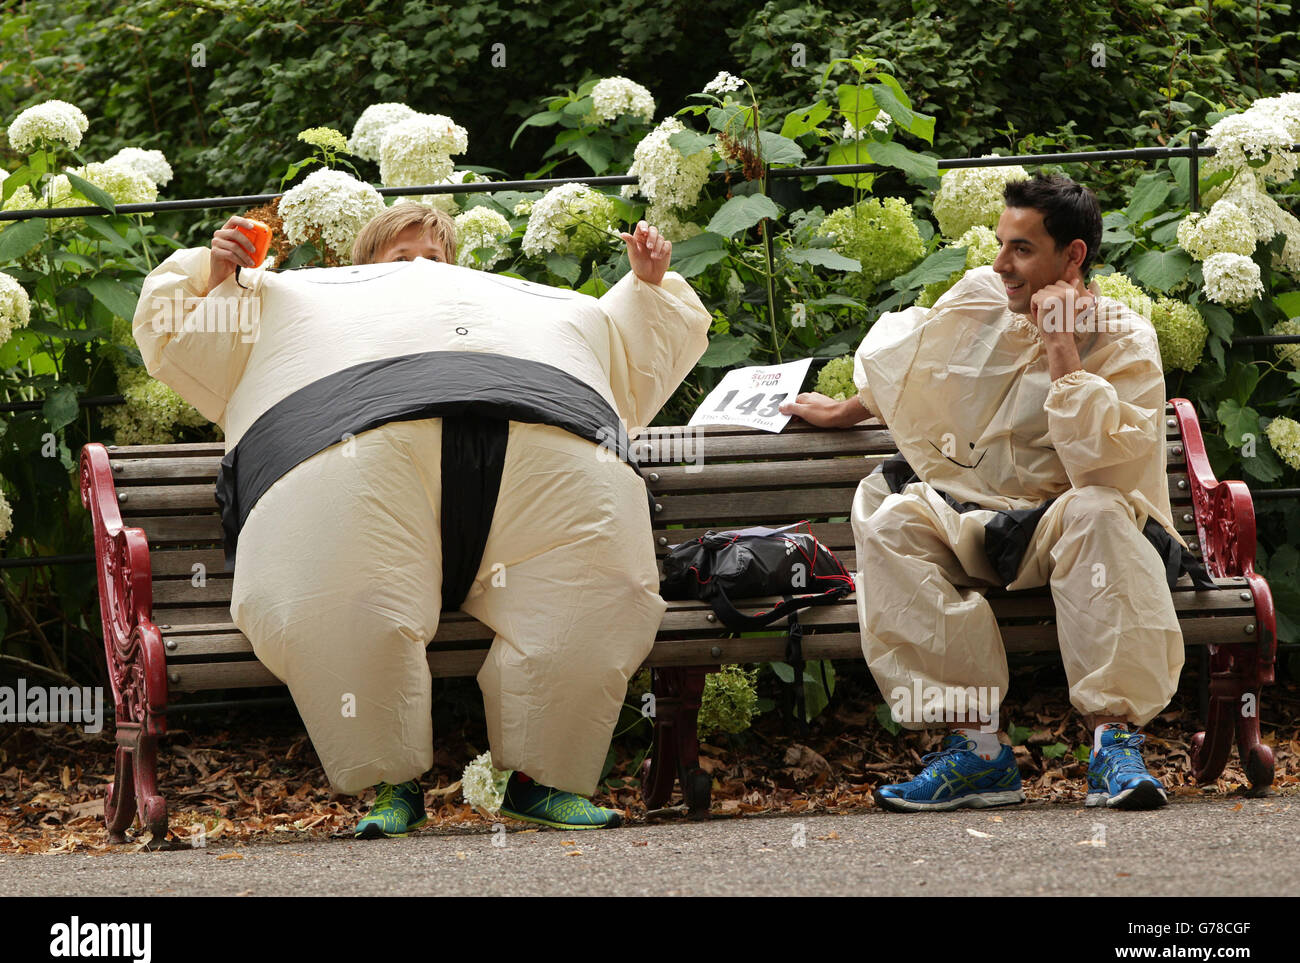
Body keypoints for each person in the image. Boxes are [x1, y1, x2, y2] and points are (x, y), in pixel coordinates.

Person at [134, 203, 711, 836]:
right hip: (351, 448)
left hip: (550, 445)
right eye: (400, 256)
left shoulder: (527, 303)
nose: (420, 269)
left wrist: (646, 286)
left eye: (433, 257)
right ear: (359, 265)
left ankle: (540, 781)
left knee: (598, 585)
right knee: (341, 595)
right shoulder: (294, 296)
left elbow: (624, 361)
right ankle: (392, 782)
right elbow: (185, 347)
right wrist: (222, 274)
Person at [782, 174, 1196, 812]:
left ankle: (1115, 740)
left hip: (1064, 528)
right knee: (892, 521)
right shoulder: (980, 294)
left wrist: (1061, 346)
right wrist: (847, 411)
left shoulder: (1124, 339)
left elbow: (1101, 466)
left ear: (1074, 256)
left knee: (1101, 510)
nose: (1001, 264)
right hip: (970, 517)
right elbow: (923, 370)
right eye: (1002, 245)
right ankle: (979, 753)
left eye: (1022, 250)